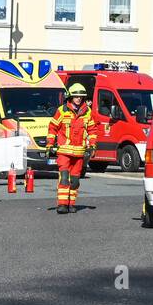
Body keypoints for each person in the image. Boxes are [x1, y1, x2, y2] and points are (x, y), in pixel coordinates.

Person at [46, 83, 97, 215]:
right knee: (64, 178)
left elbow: (92, 130)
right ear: (70, 96)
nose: (78, 98)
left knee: (75, 181)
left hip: (79, 153)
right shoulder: (62, 110)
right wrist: (49, 144)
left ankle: (71, 204)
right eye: (76, 96)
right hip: (64, 151)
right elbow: (53, 128)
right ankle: (62, 205)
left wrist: (92, 146)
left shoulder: (88, 112)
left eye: (81, 96)